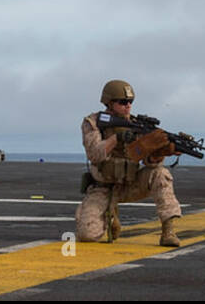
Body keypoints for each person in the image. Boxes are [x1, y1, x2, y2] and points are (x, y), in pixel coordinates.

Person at [75, 80, 181, 246]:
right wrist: (117, 138)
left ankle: (168, 231)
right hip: (102, 188)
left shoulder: (138, 125)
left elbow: (149, 163)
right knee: (87, 235)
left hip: (130, 184)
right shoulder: (93, 122)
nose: (128, 106)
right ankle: (111, 215)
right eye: (123, 102)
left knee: (161, 174)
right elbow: (95, 154)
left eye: (130, 102)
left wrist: (159, 154)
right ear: (109, 103)